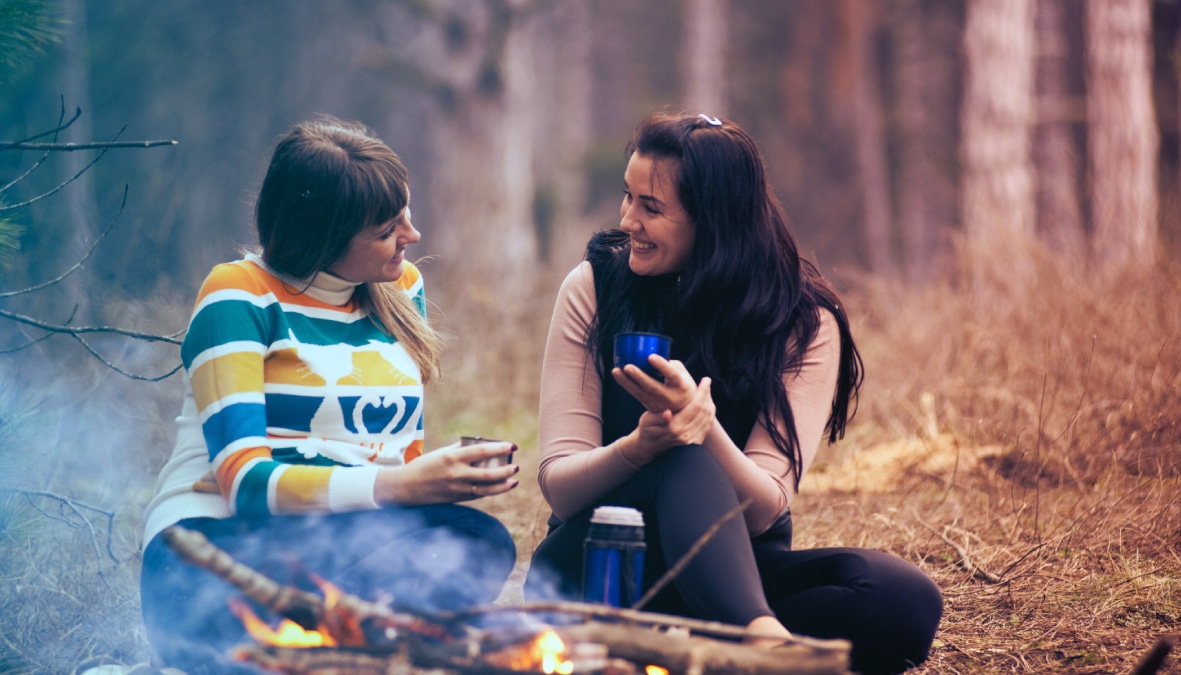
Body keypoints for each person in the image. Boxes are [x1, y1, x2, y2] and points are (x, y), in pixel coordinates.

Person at [526, 112, 943, 675]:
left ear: (714, 221)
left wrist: (706, 429)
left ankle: (716, 645)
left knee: (902, 598)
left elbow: (766, 506)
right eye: (628, 198)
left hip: (729, 572)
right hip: (598, 568)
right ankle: (760, 644)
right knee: (678, 461)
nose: (628, 221)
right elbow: (561, 487)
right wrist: (639, 448)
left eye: (651, 207)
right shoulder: (594, 287)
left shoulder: (803, 321)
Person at [140, 116, 519, 674]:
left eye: (406, 216)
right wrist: (402, 486)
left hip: (333, 546)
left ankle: (336, 650)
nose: (411, 238)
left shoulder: (399, 288)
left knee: (477, 539)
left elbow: (398, 452)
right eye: (389, 229)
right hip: (216, 550)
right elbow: (245, 485)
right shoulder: (239, 294)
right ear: (323, 236)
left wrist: (434, 483)